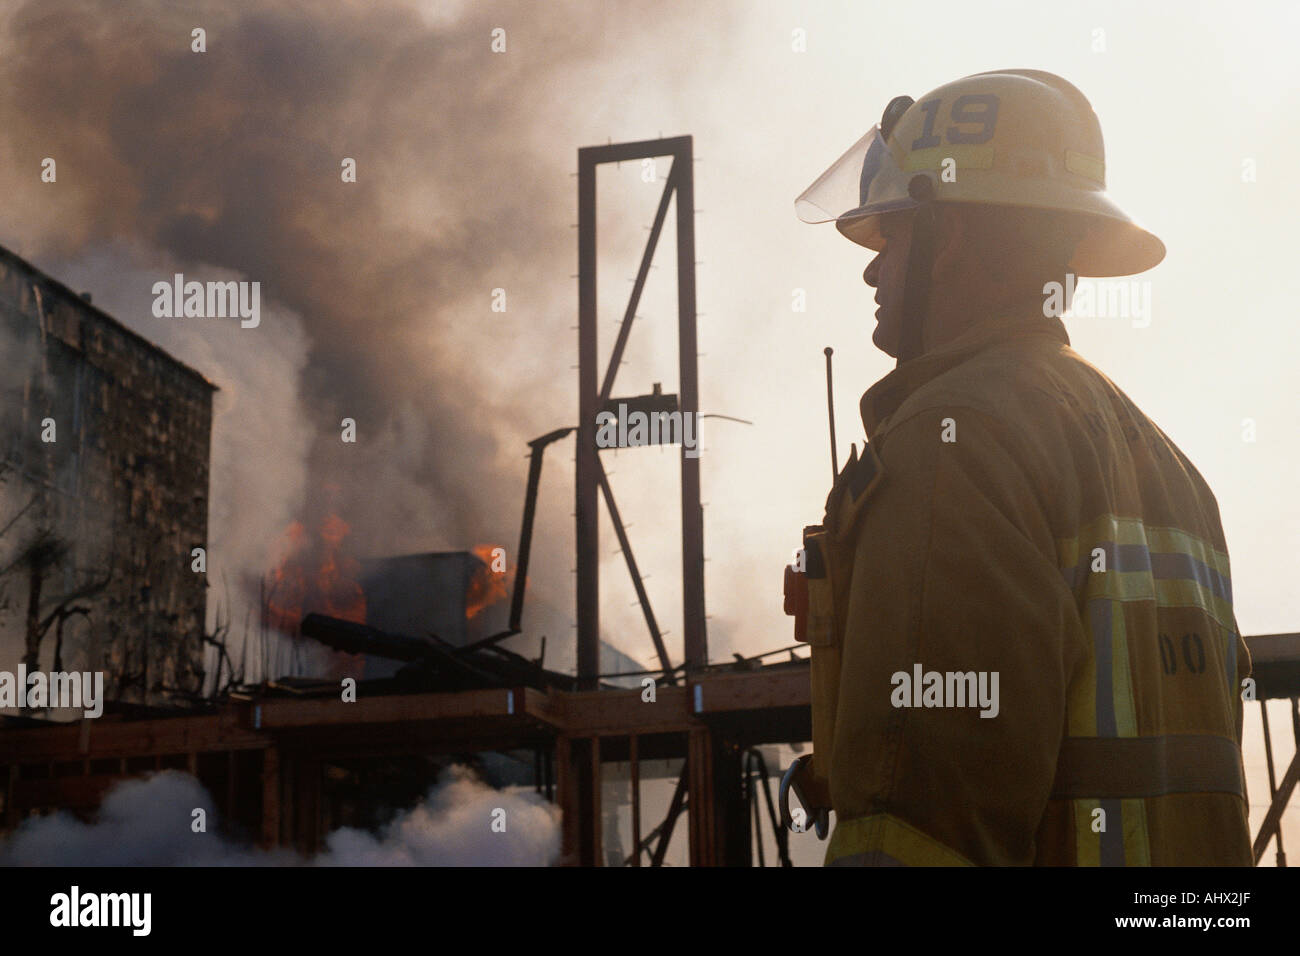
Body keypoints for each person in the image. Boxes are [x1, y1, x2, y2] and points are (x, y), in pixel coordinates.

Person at [788, 69, 1253, 865]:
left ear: (952, 240)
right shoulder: (1172, 471)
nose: (871, 269)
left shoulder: (952, 439)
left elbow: (918, 827)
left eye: (893, 234)